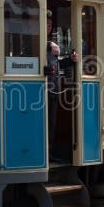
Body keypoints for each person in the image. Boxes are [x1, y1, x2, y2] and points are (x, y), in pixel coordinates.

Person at [46, 10, 77, 162]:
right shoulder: (43, 44)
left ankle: (49, 153)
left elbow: (56, 65)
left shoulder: (50, 47)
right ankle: (45, 154)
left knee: (51, 125)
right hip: (41, 92)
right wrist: (48, 44)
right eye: (46, 24)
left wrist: (70, 60)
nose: (49, 27)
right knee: (45, 125)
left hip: (53, 92)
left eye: (50, 25)